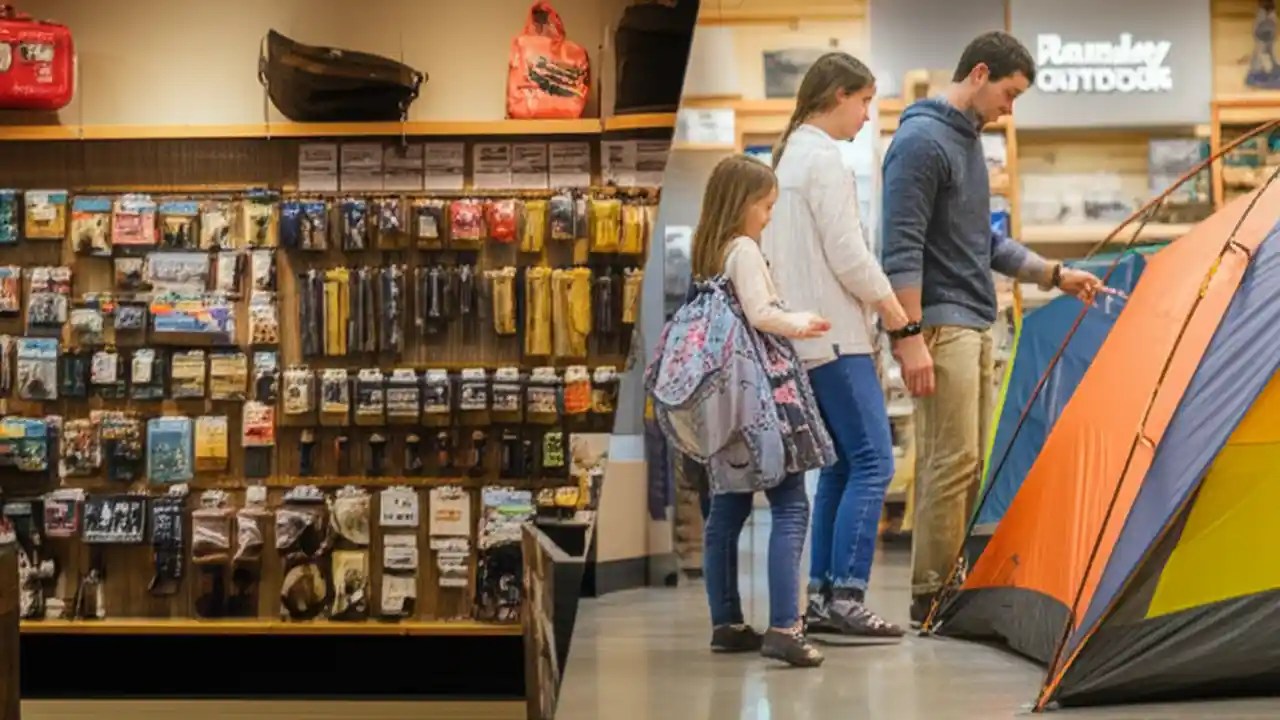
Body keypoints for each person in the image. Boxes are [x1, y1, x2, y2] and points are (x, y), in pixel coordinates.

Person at [880, 31, 1103, 626]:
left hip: (976, 321)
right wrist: (907, 337)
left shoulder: (966, 141)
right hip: (942, 325)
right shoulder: (921, 142)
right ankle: (931, 595)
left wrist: (1055, 274)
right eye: (1009, 94)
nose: (1010, 108)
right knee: (949, 463)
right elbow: (899, 248)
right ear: (979, 74)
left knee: (970, 465)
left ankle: (948, 585)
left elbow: (987, 243)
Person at [762, 51, 916, 639]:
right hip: (838, 340)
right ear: (838, 96)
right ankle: (846, 597)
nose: (866, 115)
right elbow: (849, 255)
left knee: (840, 466)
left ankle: (825, 596)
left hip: (807, 340)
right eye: (864, 101)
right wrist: (896, 315)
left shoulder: (788, 158)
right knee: (875, 462)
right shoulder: (823, 159)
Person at [691, 154, 832, 668]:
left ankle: (726, 622)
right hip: (762, 396)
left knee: (727, 508)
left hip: (723, 398)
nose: (769, 217)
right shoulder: (744, 250)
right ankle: (785, 627)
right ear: (743, 204)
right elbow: (761, 313)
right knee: (791, 502)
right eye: (766, 206)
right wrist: (802, 322)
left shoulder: (707, 251)